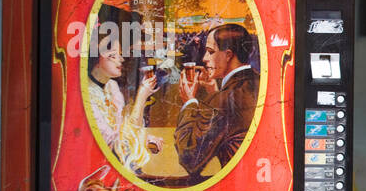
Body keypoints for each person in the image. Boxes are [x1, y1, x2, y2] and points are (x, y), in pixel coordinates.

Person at [174, 23, 259, 178]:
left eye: (210, 52)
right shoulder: (259, 81)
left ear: (228, 55)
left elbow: (190, 158)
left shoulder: (221, 101)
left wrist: (189, 102)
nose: (205, 58)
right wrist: (215, 93)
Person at [87, 39, 161, 168]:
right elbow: (116, 148)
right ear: (96, 60)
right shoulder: (87, 95)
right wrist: (142, 96)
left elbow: (122, 130)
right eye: (113, 55)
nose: (121, 60)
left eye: (120, 54)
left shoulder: (112, 86)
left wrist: (144, 139)